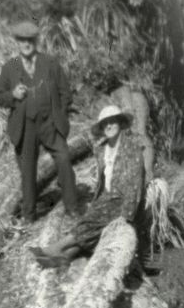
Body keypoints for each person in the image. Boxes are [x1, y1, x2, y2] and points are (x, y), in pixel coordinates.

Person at [32, 104, 145, 268]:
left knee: (90, 224)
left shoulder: (132, 149)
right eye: (105, 123)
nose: (109, 126)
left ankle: (55, 248)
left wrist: (126, 216)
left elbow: (135, 185)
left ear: (120, 123)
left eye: (113, 121)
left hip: (122, 202)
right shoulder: (101, 150)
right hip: (105, 200)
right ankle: (66, 257)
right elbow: (102, 181)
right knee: (91, 229)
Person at [0, 20, 78, 227]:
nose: (26, 44)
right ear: (17, 42)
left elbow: (65, 92)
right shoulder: (9, 68)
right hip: (25, 126)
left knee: (64, 158)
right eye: (22, 40)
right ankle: (29, 215)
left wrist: (60, 112)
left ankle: (72, 208)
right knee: (28, 171)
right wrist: (12, 94)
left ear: (36, 41)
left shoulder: (50, 63)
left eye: (30, 40)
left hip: (50, 123)